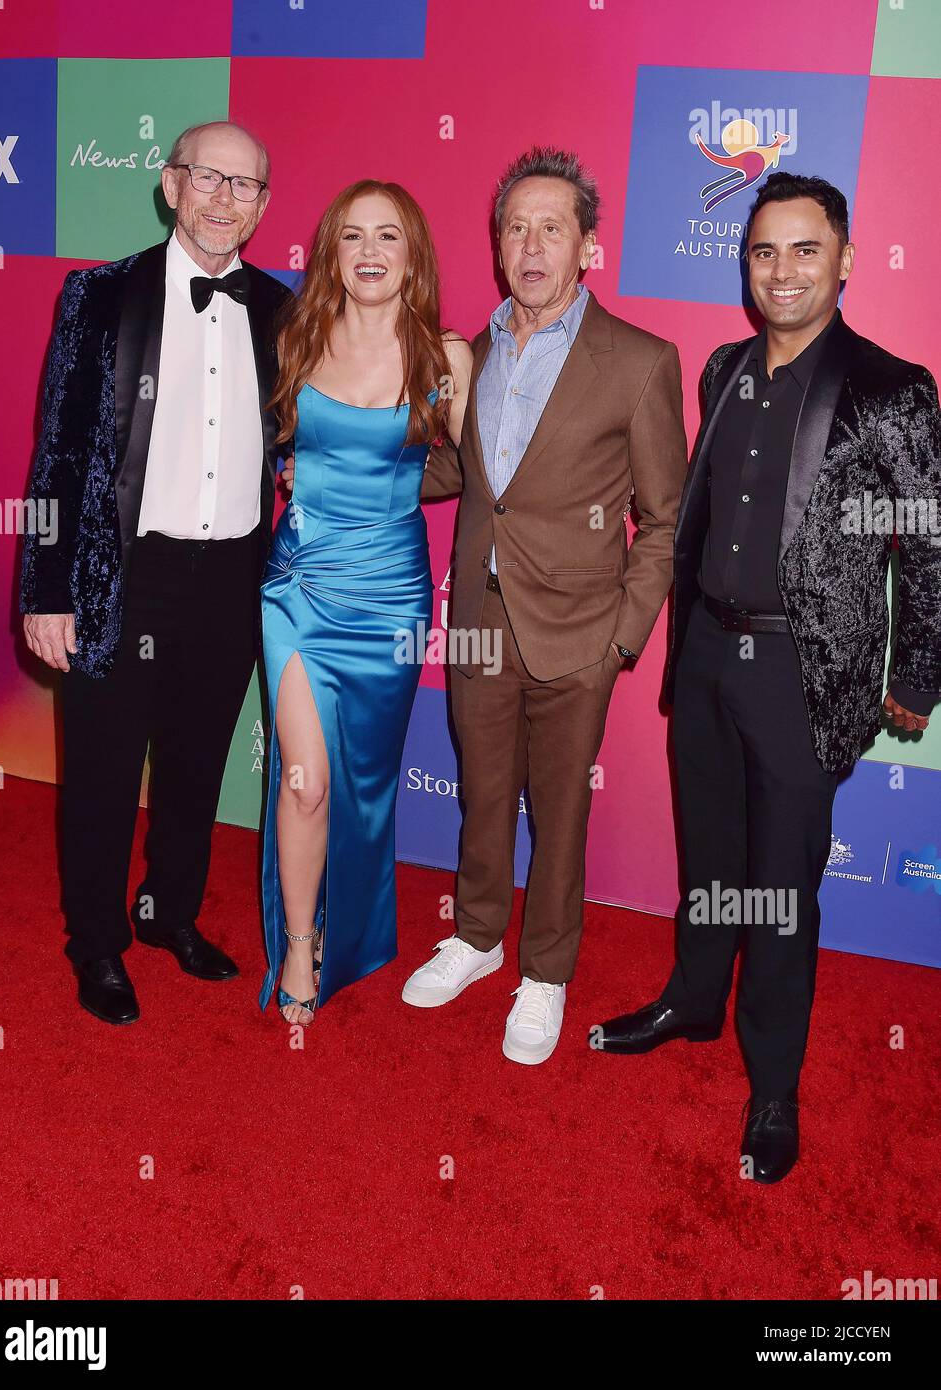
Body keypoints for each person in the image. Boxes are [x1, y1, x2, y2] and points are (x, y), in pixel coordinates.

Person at [596, 173, 941, 1183]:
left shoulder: (889, 389)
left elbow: (921, 545)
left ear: (841, 259)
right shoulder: (720, 370)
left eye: (801, 250)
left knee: (778, 892)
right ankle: (693, 998)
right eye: (761, 251)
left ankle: (774, 1088)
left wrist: (914, 670)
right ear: (742, 266)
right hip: (705, 650)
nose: (779, 271)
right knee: (708, 858)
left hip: (803, 669)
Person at [400, 147, 689, 1065]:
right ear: (498, 245)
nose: (530, 245)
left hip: (578, 635)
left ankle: (545, 973)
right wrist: (361, 463)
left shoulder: (639, 362)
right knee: (483, 795)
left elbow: (665, 519)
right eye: (515, 227)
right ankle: (479, 938)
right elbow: (461, 475)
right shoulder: (469, 352)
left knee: (558, 809)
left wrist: (623, 637)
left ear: (587, 247)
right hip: (479, 624)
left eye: (551, 227)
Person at [20, 121, 290, 1024]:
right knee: (100, 768)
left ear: (262, 204)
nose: (223, 198)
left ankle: (168, 913)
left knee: (195, 763)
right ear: (172, 186)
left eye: (244, 185)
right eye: (207, 178)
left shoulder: (285, 310)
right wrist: (47, 590)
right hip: (120, 570)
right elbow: (55, 452)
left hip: (232, 576)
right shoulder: (100, 295)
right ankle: (94, 942)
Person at [261, 180, 471, 1024]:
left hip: (390, 596)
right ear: (332, 254)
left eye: (389, 236)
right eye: (353, 236)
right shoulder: (294, 340)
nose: (372, 252)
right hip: (299, 586)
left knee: (365, 782)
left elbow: (491, 479)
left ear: (412, 252)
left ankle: (357, 925)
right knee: (306, 781)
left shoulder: (444, 359)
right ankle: (304, 945)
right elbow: (262, 446)